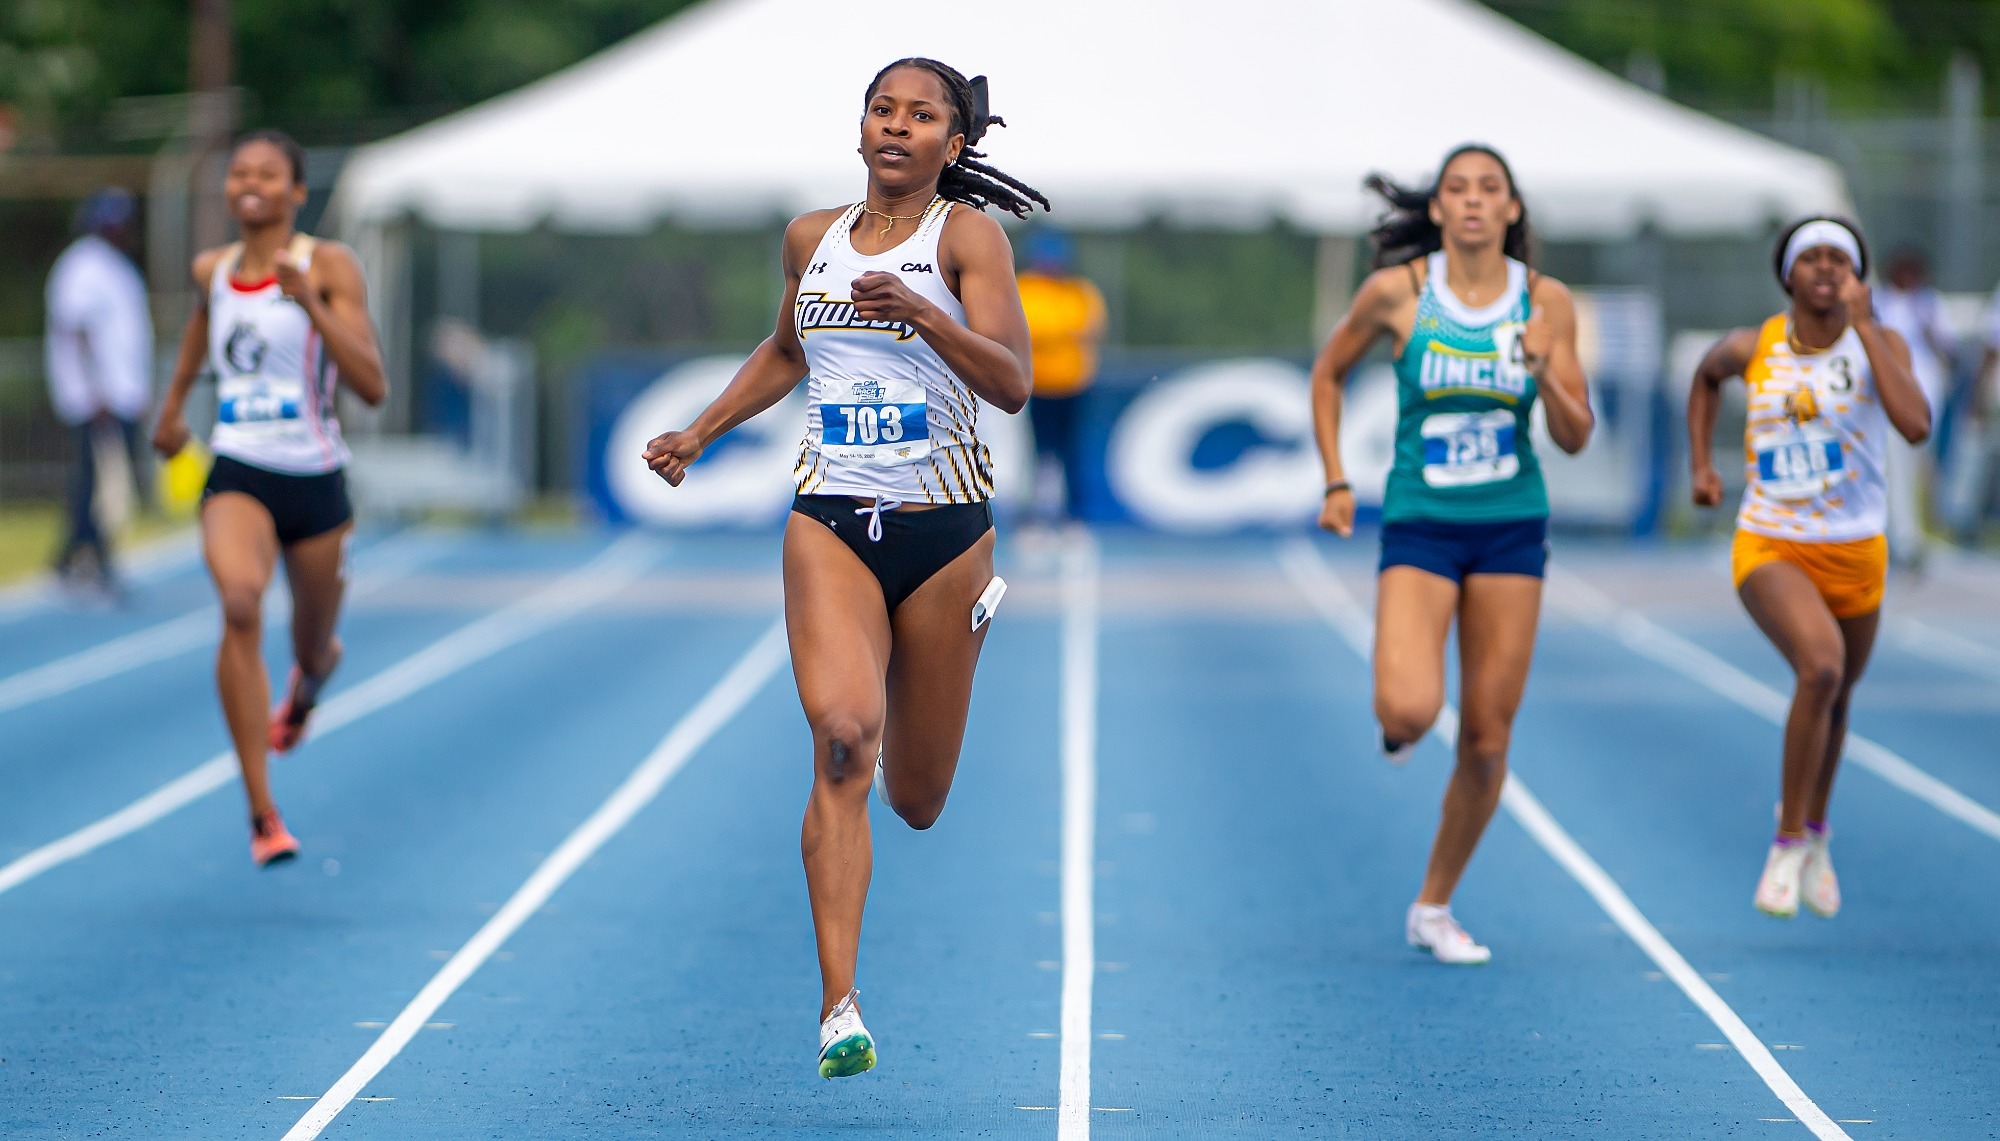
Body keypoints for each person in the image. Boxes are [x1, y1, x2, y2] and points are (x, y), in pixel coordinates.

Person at [641, 58, 1043, 1077]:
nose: (896, 128)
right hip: (827, 519)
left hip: (945, 534)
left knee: (914, 797)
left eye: (921, 117)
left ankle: (967, 626)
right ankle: (838, 1009)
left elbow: (1011, 383)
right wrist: (699, 432)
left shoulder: (966, 238)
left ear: (954, 145)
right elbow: (785, 351)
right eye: (882, 110)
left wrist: (924, 317)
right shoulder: (807, 239)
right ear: (858, 126)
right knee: (838, 740)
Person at [1308, 144, 1594, 965]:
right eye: (1457, 189)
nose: (1472, 201)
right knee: (1407, 709)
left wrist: (1549, 370)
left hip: (1510, 526)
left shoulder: (1547, 303)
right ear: (1437, 209)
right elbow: (1328, 375)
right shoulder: (1399, 293)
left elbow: (1575, 436)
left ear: (1512, 209)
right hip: (1422, 522)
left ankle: (1434, 904)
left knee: (1487, 739)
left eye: (1489, 189)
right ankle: (1397, 726)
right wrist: (1335, 478)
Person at [151, 130, 389, 868]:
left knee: (311, 646)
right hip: (239, 470)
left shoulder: (329, 264)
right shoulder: (211, 269)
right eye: (239, 173)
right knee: (240, 604)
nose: (249, 183)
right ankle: (262, 813)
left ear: (294, 192)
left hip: (317, 480)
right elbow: (202, 323)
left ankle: (309, 684)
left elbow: (372, 385)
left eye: (266, 173)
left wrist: (310, 303)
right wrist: (174, 405)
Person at [1687, 217, 1929, 919]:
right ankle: (1787, 839)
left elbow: (1914, 424)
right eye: (1811, 258)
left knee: (1839, 696)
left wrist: (1867, 328)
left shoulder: (1880, 344)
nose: (1826, 268)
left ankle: (1818, 831)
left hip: (1857, 548)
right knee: (1819, 667)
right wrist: (1702, 465)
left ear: (1858, 276)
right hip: (1772, 541)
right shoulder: (1754, 344)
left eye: (1841, 259)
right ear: (1787, 273)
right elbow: (1706, 375)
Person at [45, 186, 154, 594]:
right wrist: (97, 390)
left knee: (103, 478)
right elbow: (79, 330)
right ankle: (88, 556)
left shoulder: (115, 266)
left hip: (120, 393)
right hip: (97, 397)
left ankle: (78, 554)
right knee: (99, 480)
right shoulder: (83, 266)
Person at [1872, 248, 1954, 567]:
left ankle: (1922, 532)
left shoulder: (1930, 304)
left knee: (1924, 471)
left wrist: (1928, 327)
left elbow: (1949, 351)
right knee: (1896, 467)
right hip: (1891, 400)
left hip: (1927, 399)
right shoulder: (1879, 302)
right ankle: (1902, 538)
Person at [1016, 230, 1106, 519]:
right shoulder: (1025, 287)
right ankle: (1034, 514)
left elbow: (1090, 328)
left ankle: (1074, 515)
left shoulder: (1078, 290)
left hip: (1073, 383)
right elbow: (1026, 330)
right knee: (1037, 452)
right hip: (1037, 385)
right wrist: (1059, 334)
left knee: (1072, 451)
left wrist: (1051, 335)